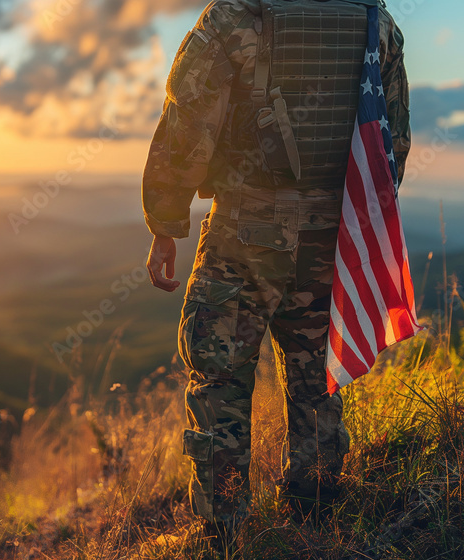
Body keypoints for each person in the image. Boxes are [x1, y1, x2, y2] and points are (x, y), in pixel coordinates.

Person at [141, 0, 409, 538]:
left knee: (219, 379)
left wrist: (166, 222)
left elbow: (187, 122)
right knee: (318, 384)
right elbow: (390, 140)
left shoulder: (234, 17)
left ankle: (226, 532)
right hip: (333, 237)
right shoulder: (372, 22)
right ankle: (316, 519)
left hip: (243, 237)